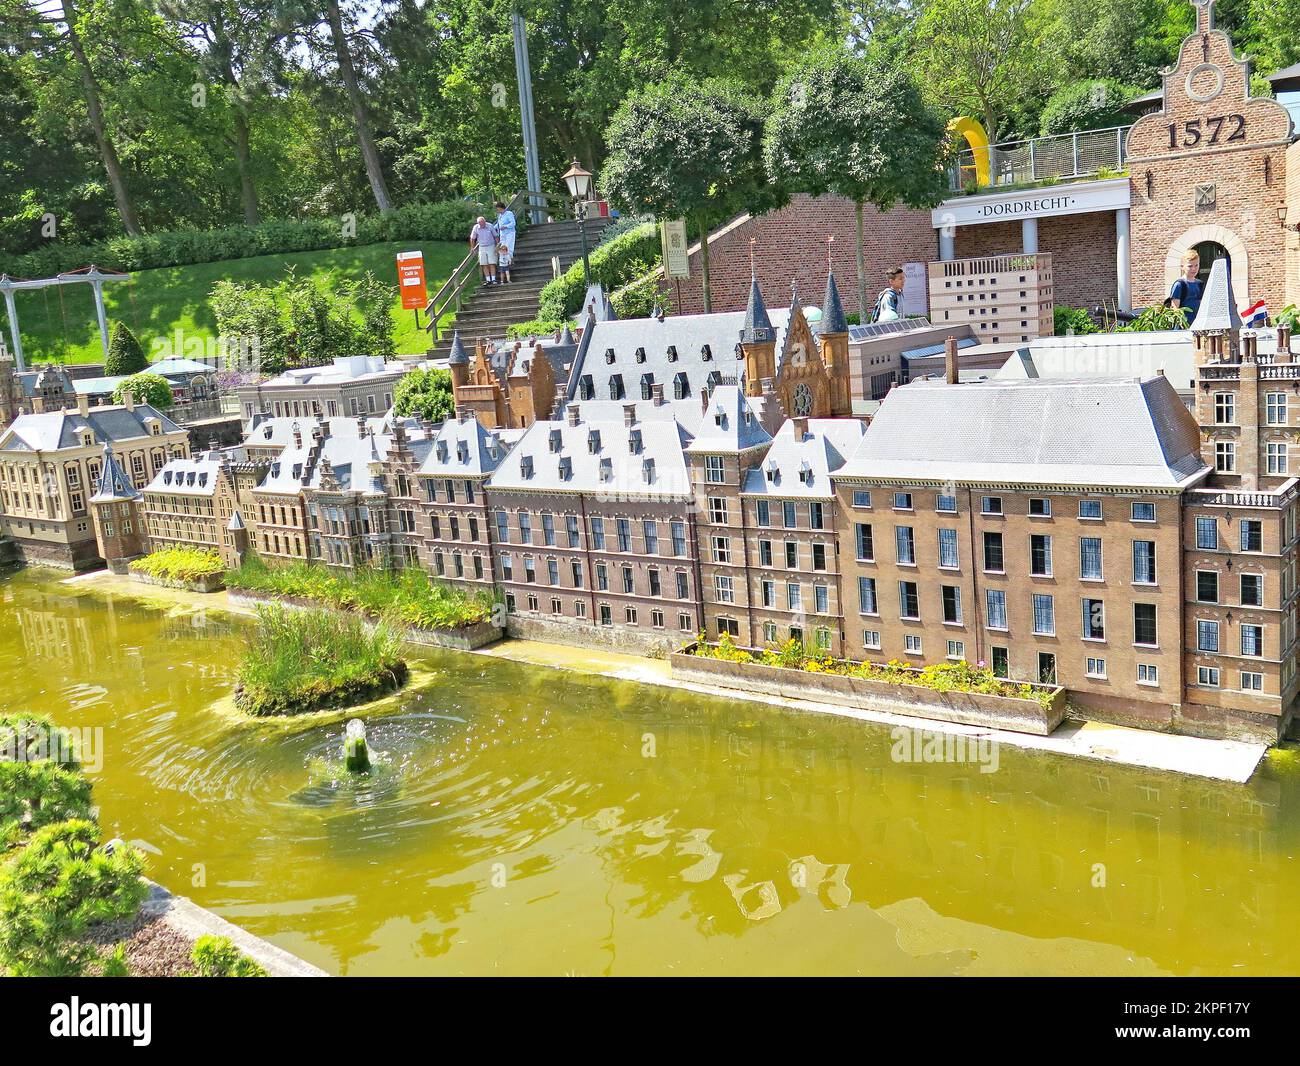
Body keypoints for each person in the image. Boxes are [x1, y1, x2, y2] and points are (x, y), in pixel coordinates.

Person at [1167, 250, 1203, 319]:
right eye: (1190, 266)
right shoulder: (1179, 284)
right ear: (1182, 267)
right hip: (1183, 326)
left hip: (1197, 324)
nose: (1194, 269)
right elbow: (1175, 309)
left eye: (1196, 265)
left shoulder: (1199, 284)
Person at [469, 215, 498, 284]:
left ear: (485, 221)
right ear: (478, 223)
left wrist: (498, 245)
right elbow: (472, 238)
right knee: (483, 263)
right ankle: (488, 280)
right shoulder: (476, 228)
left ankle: (493, 279)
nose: (482, 224)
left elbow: (496, 236)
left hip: (491, 245)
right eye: (481, 223)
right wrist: (472, 248)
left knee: (492, 263)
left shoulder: (490, 226)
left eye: (483, 222)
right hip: (482, 247)